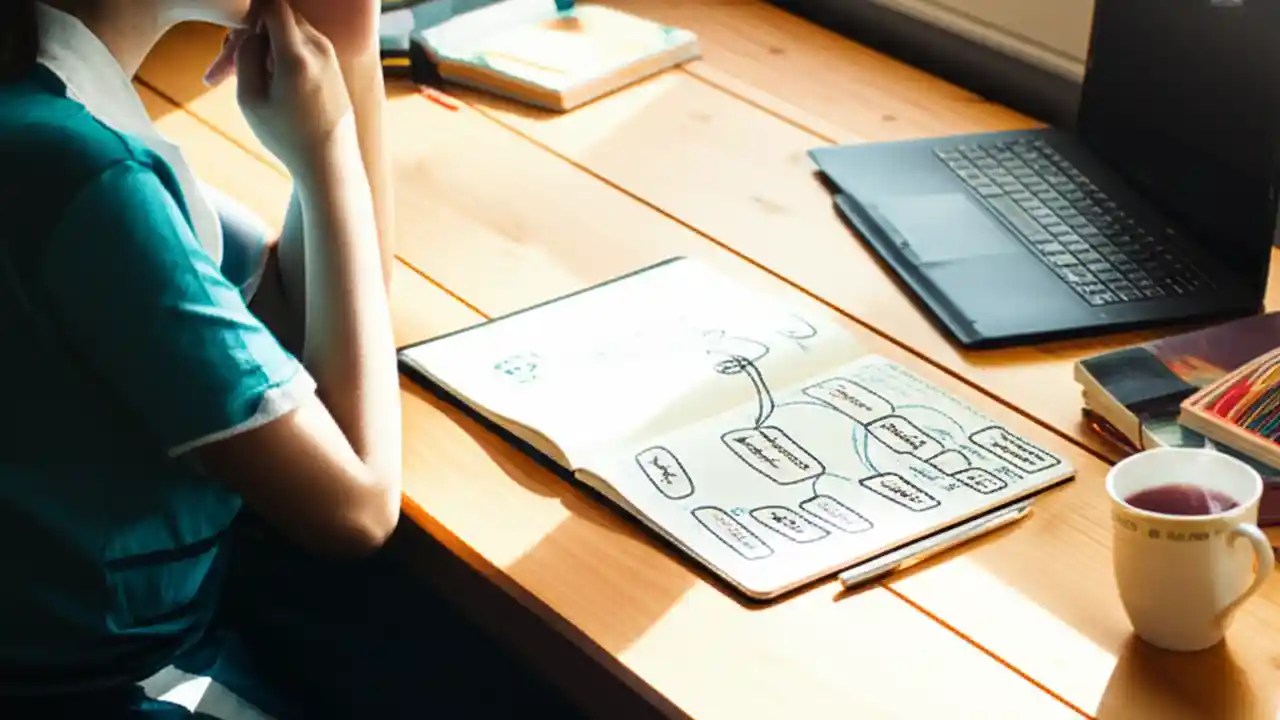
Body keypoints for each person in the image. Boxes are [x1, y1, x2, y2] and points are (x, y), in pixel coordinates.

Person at [0, 0, 576, 717]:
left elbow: (305, 327)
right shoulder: (83, 174)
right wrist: (327, 146)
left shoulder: (44, 109)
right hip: (101, 683)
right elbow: (356, 507)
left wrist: (348, 50)